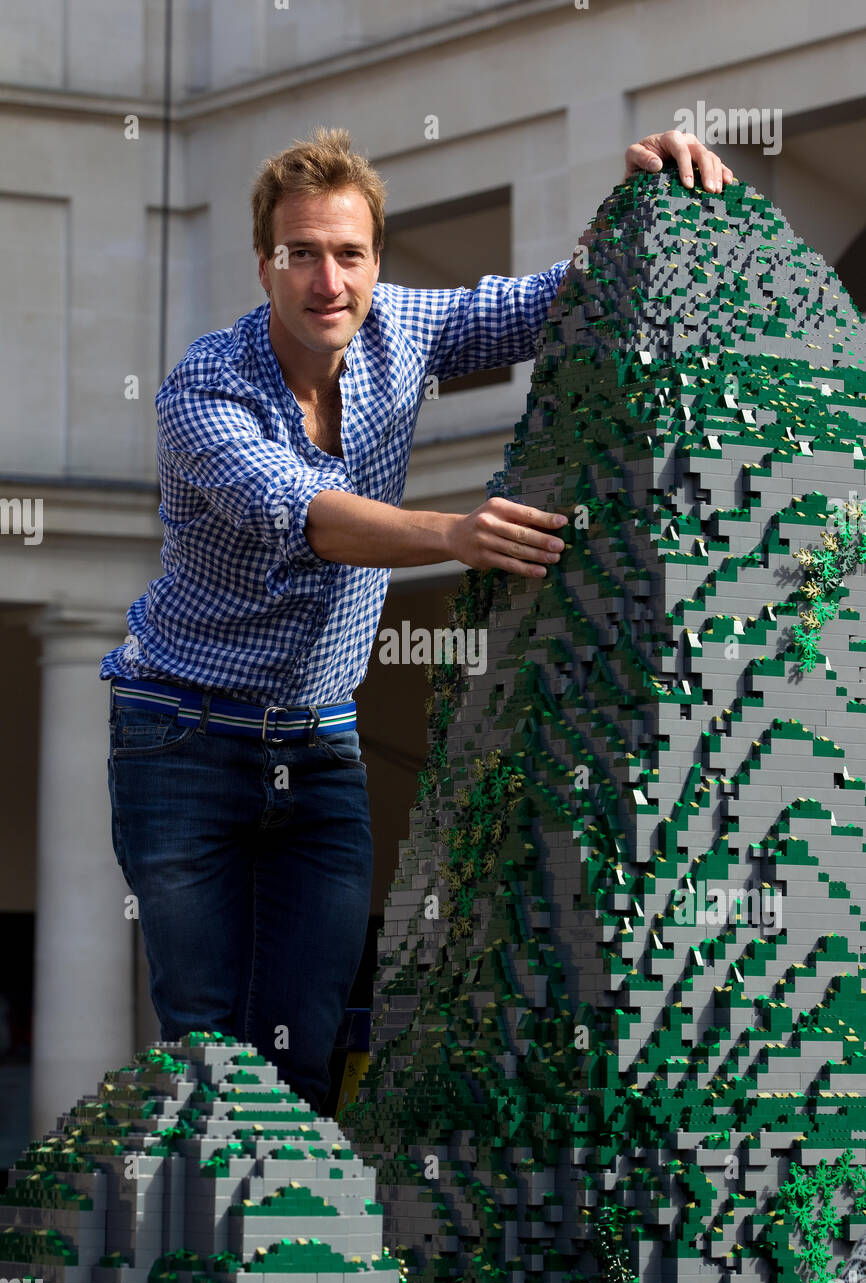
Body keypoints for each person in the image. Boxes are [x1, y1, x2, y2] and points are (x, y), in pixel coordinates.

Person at [100, 126, 734, 1115]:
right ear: (262, 262)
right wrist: (455, 529)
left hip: (317, 744)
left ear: (375, 261)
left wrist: (639, 202)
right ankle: (195, 1261)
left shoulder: (404, 331)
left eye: (347, 254)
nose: (325, 279)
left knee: (302, 1054)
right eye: (298, 252)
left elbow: (545, 305)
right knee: (206, 1049)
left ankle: (291, 1263)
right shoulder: (205, 386)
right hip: (180, 736)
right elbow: (305, 513)